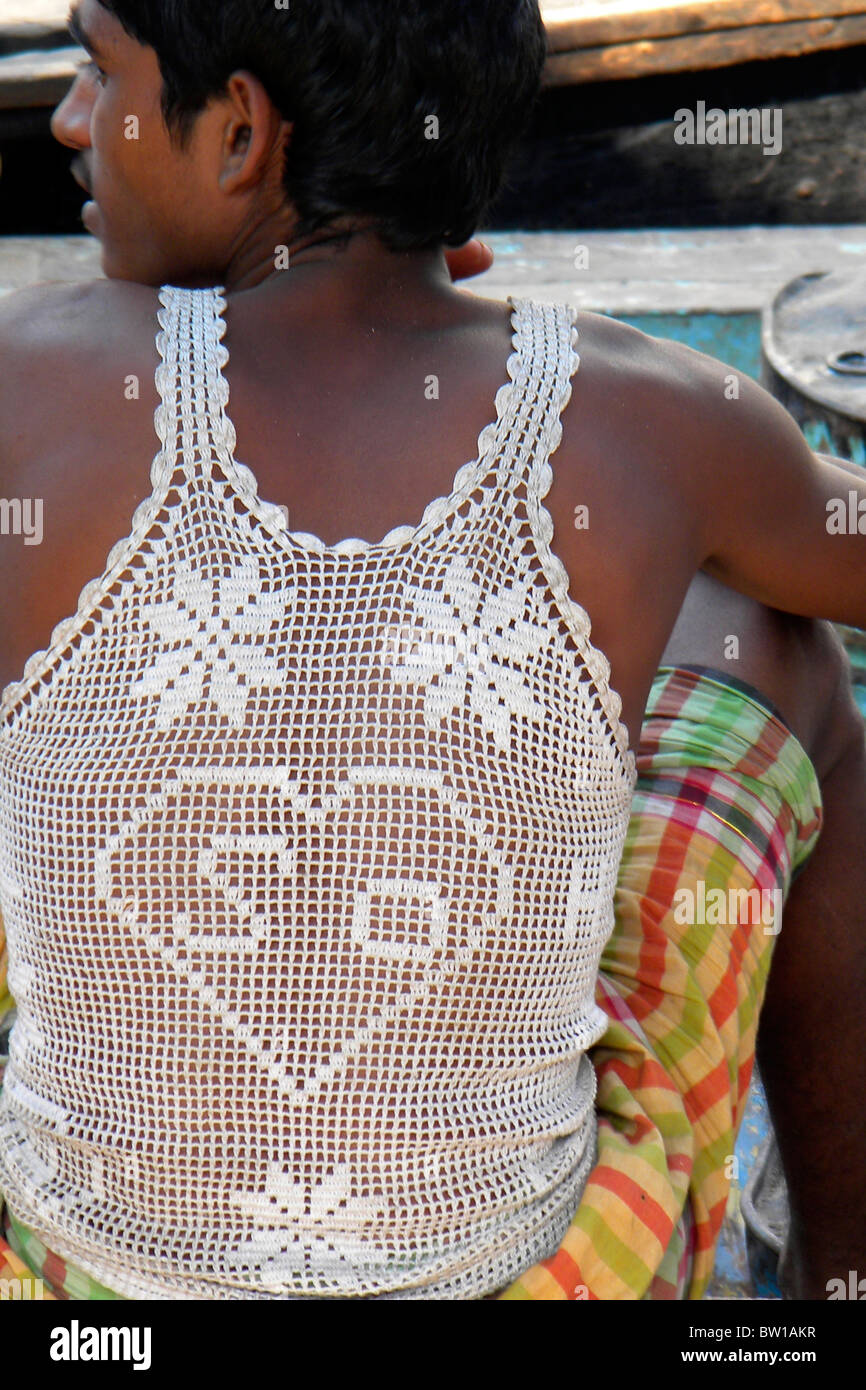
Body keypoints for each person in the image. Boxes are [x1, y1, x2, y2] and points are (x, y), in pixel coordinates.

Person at [0, 0, 864, 1300]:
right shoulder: (657, 413)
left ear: (239, 132)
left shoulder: (31, 376)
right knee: (779, 648)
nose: (70, 120)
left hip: (79, 1289)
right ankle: (832, 1279)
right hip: (522, 1272)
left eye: (96, 71)